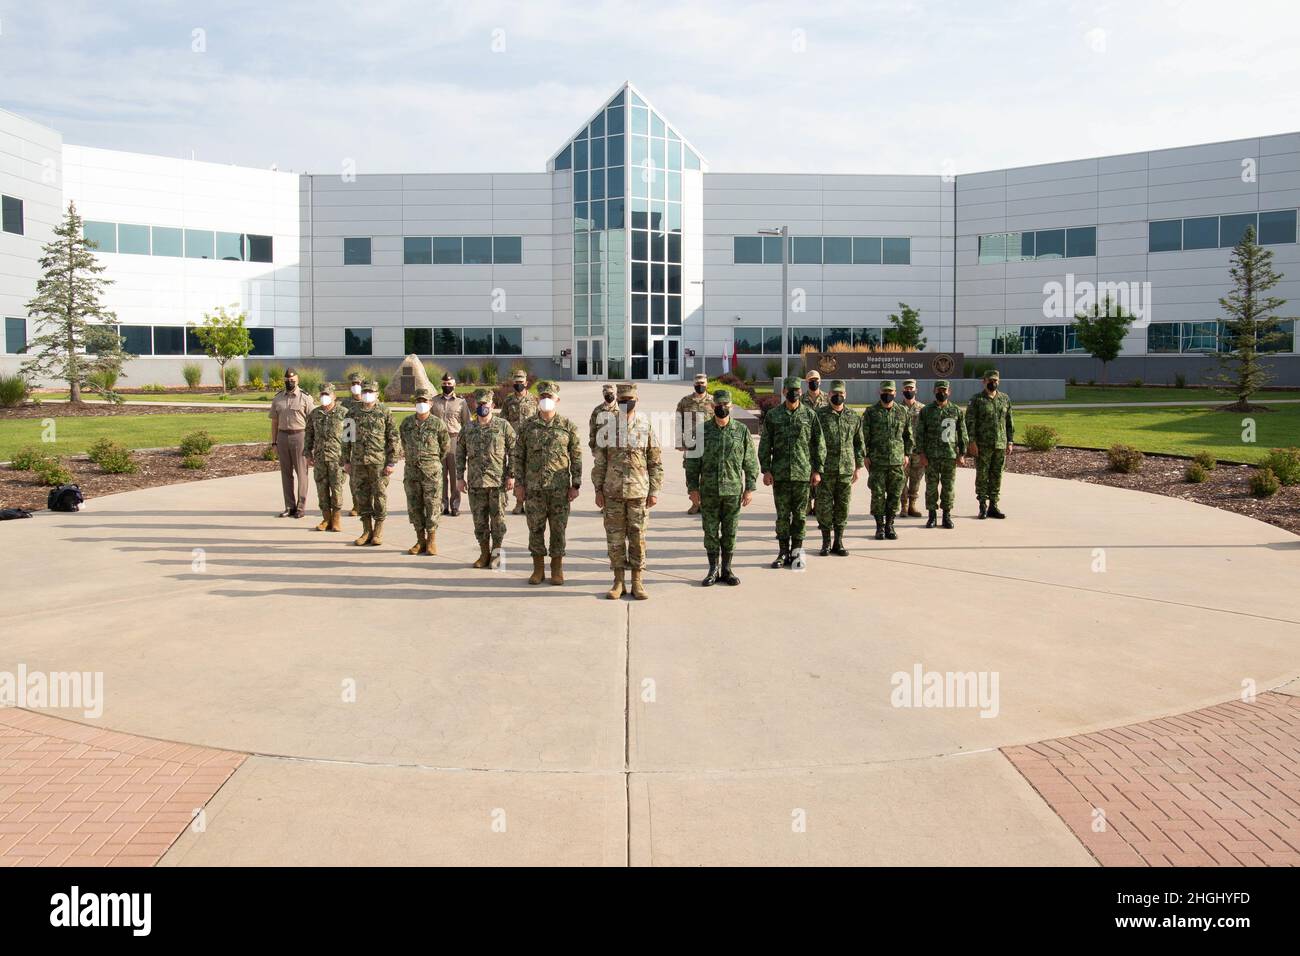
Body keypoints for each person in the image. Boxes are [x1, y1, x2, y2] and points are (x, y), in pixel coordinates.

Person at [592, 383, 662, 601]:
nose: (625, 404)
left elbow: (655, 461)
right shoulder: (606, 427)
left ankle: (637, 581)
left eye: (629, 400)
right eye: (621, 401)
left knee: (637, 538)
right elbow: (600, 462)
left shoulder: (646, 426)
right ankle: (618, 581)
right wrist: (598, 489)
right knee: (614, 539)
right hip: (612, 492)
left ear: (636, 400)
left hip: (639, 493)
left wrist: (654, 490)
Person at [685, 388, 758, 586]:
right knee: (710, 531)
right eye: (718, 405)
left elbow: (750, 461)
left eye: (725, 405)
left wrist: (750, 488)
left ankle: (727, 569)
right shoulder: (701, 431)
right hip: (708, 492)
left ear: (731, 406)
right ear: (712, 406)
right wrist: (693, 489)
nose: (722, 408)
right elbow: (692, 463)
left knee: (730, 531)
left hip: (733, 491)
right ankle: (712, 569)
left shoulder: (741, 431)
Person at [515, 381, 582, 585]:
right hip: (534, 489)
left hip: (559, 489)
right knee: (535, 529)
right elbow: (518, 456)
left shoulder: (567, 426)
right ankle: (537, 569)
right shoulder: (527, 426)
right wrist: (519, 484)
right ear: (537, 399)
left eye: (550, 397)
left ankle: (556, 568)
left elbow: (576, 456)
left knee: (558, 529)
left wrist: (575, 484)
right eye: (542, 397)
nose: (546, 401)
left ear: (557, 400)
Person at [758, 375, 825, 568]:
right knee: (782, 516)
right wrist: (766, 470)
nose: (793, 393)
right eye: (790, 391)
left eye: (797, 391)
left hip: (802, 475)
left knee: (800, 517)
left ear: (801, 392)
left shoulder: (810, 415)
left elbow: (818, 444)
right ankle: (782, 553)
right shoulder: (773, 415)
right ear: (784, 392)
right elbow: (765, 445)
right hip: (780, 475)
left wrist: (817, 470)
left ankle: (796, 554)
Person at [457, 388, 517, 568]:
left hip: (498, 483)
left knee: (498, 522)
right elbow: (460, 453)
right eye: (480, 403)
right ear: (475, 405)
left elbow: (514, 451)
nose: (483, 406)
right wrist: (460, 477)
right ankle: (484, 554)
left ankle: (497, 554)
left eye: (486, 403)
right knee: (480, 522)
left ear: (493, 405)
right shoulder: (468, 428)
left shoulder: (503, 426)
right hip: (476, 483)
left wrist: (512, 474)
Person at [342, 379, 397, 546]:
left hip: (378, 463)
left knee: (379, 496)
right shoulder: (351, 413)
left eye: (370, 392)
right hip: (358, 463)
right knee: (362, 497)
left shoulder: (385, 412)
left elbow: (393, 438)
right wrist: (346, 461)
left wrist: (391, 462)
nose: (366, 394)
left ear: (377, 394)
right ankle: (366, 531)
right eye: (364, 391)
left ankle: (378, 531)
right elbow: (346, 439)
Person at [814, 379, 865, 556]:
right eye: (834, 394)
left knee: (843, 507)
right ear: (828, 395)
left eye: (840, 394)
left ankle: (839, 542)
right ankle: (826, 542)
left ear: (845, 395)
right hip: (825, 470)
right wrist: (815, 469)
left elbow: (859, 444)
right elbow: (813, 443)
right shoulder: (819, 415)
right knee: (824, 507)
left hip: (845, 470)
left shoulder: (853, 417)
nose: (837, 396)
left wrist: (858, 467)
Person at [399, 386, 451, 555]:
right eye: (418, 401)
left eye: (424, 401)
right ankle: (420, 540)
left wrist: (431, 462)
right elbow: (404, 444)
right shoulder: (407, 423)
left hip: (431, 473)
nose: (421, 404)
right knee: (415, 507)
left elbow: (445, 448)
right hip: (412, 472)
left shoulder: (438, 424)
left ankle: (431, 540)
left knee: (432, 506)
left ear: (430, 403)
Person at [862, 380, 913, 540]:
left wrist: (907, 454)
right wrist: (866, 455)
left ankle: (890, 525)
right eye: (884, 391)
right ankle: (879, 527)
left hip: (897, 462)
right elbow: (864, 436)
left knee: (894, 495)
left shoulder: (902, 412)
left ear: (895, 393)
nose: (887, 394)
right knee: (877, 495)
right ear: (879, 392)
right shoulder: (871, 412)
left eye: (890, 392)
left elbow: (908, 436)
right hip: (877, 462)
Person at [915, 379, 968, 529]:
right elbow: (920, 433)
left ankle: (946, 515)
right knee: (931, 487)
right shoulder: (926, 411)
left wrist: (962, 453)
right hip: (931, 456)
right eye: (939, 390)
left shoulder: (956, 410)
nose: (942, 393)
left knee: (948, 487)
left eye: (944, 391)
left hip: (949, 455)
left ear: (949, 392)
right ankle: (932, 516)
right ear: (934, 391)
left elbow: (963, 433)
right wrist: (921, 453)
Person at [966, 369, 1015, 519]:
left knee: (996, 475)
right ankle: (982, 505)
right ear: (984, 381)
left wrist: (1010, 441)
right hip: (982, 445)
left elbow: (1009, 421)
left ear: (998, 382)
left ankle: (993, 505)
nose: (992, 383)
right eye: (990, 380)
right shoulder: (977, 400)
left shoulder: (1004, 399)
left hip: (1000, 444)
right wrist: (972, 442)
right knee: (982, 475)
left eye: (995, 381)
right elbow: (970, 422)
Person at [268, 367, 315, 518]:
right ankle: (290, 506)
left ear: (298, 380)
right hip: (282, 437)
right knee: (286, 474)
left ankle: (301, 507)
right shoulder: (278, 398)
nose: (290, 382)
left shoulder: (305, 398)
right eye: (287, 380)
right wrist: (274, 442)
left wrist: (311, 443)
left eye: (292, 380)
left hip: (300, 436)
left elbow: (312, 421)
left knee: (302, 473)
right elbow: (274, 422)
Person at [303, 382, 347, 532]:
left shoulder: (344, 413)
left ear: (334, 396)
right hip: (320, 459)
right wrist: (307, 453)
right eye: (322, 394)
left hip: (338, 459)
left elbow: (351, 438)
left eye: (327, 394)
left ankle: (336, 519)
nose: (324, 397)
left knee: (336, 490)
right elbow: (309, 435)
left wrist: (349, 458)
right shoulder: (315, 414)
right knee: (322, 489)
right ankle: (325, 518)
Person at [431, 372, 470, 517]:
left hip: (454, 439)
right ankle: (442, 505)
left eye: (449, 384)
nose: (446, 386)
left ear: (454, 385)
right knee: (440, 475)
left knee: (455, 475)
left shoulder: (461, 402)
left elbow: (466, 424)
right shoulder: (434, 401)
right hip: (438, 440)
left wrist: (465, 444)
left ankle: (455, 505)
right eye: (444, 384)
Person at [500, 369, 536, 514]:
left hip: (530, 441)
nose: (518, 385)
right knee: (516, 471)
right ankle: (519, 502)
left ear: (526, 383)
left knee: (530, 472)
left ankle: (530, 503)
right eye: (516, 382)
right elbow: (503, 421)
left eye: (521, 382)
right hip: (514, 441)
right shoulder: (508, 400)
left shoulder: (534, 400)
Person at [676, 373, 713, 514]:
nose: (700, 386)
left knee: (707, 475)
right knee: (691, 475)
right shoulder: (685, 401)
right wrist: (679, 442)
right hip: (691, 444)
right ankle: (695, 503)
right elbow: (679, 421)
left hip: (709, 445)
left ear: (707, 384)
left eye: (703, 383)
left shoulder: (713, 401)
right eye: (698, 383)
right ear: (693, 384)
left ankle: (705, 504)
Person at [898, 378, 926, 518]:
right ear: (902, 391)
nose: (909, 391)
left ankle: (912, 505)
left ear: (916, 390)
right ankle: (904, 506)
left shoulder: (923, 409)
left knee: (916, 479)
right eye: (906, 389)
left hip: (918, 451)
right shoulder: (897, 409)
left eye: (911, 388)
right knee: (902, 480)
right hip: (902, 452)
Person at [803, 369, 828, 515]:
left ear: (820, 381)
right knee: (806, 476)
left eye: (816, 379)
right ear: (807, 382)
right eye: (811, 380)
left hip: (822, 444)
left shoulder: (827, 399)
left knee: (820, 476)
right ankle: (806, 505)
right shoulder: (801, 400)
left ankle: (818, 505)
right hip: (805, 445)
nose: (814, 382)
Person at [340, 372, 364, 515]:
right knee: (353, 478)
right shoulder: (346, 404)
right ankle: (357, 505)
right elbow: (343, 426)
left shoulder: (369, 401)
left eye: (358, 383)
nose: (356, 386)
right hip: (351, 443)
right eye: (353, 384)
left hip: (368, 446)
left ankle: (367, 504)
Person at [589, 382, 617, 453]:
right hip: (600, 448)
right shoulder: (597, 410)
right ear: (603, 395)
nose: (609, 395)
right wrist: (592, 446)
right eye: (606, 394)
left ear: (614, 393)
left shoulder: (621, 409)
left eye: (611, 393)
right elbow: (593, 428)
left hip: (616, 449)